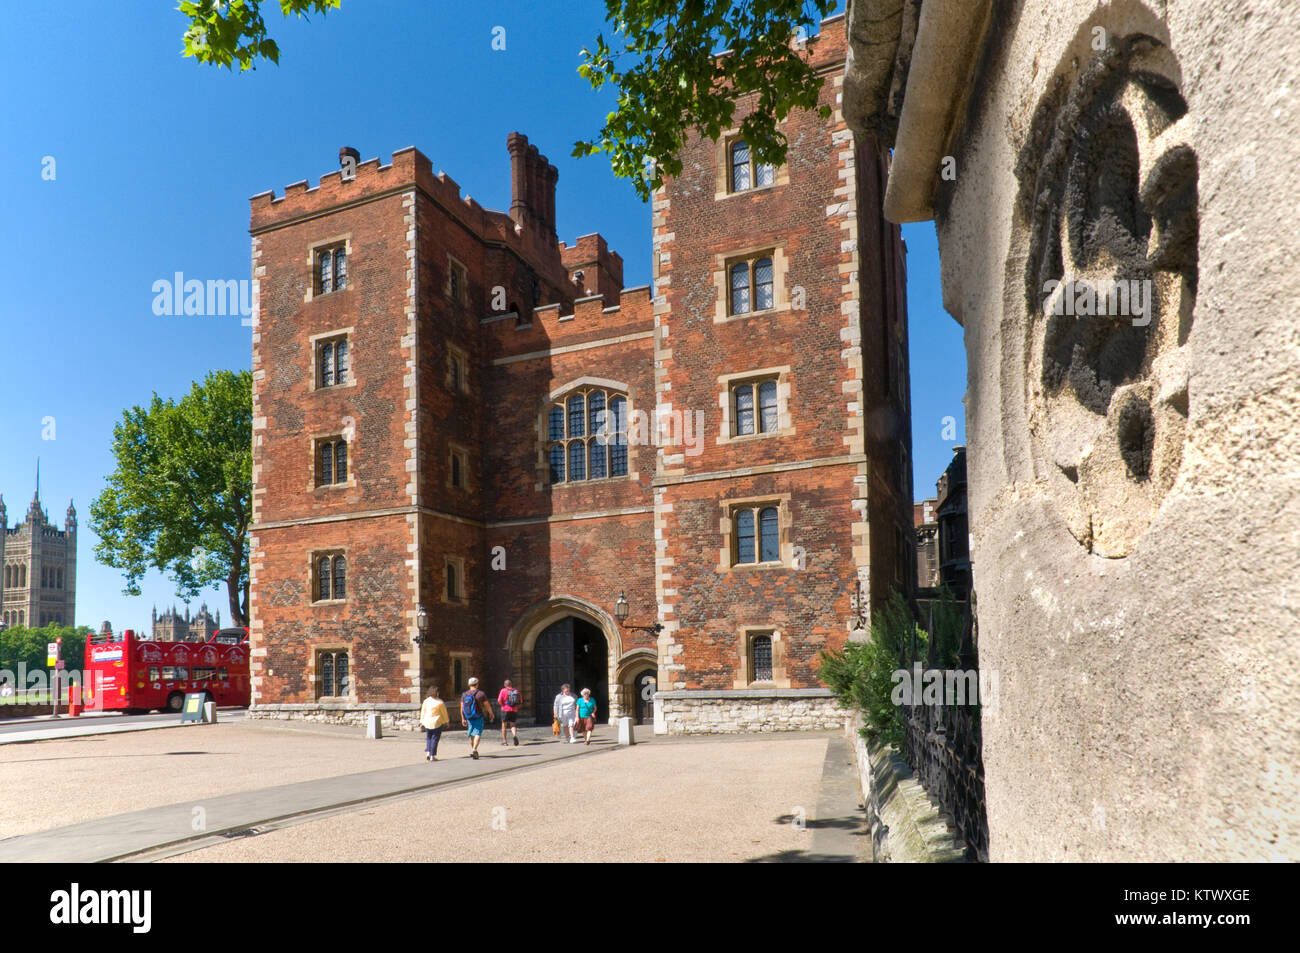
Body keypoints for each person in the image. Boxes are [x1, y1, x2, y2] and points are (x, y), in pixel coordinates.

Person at [460, 677, 494, 759]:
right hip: (478, 715)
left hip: (469, 716)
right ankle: (474, 749)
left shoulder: (464, 694)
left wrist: (463, 718)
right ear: (477, 684)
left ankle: (473, 749)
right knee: (477, 732)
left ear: (469, 685)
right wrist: (491, 713)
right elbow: (487, 705)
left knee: (471, 733)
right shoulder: (480, 694)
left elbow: (462, 708)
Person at [419, 686, 449, 762]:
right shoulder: (440, 702)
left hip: (427, 722)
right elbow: (444, 713)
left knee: (428, 738)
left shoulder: (426, 701)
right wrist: (446, 721)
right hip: (436, 722)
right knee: (435, 739)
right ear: (437, 693)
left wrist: (421, 721)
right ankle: (432, 755)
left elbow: (423, 712)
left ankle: (428, 753)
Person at [498, 678, 521, 746]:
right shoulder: (516, 691)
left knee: (504, 726)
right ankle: (514, 735)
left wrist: (502, 705)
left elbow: (499, 700)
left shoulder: (503, 690)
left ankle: (505, 741)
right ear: (511, 684)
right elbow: (520, 701)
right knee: (513, 725)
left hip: (505, 709)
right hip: (514, 710)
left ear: (505, 685)